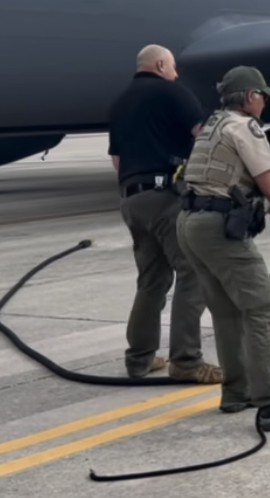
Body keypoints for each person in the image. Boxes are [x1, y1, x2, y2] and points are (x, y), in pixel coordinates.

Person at [176, 65, 270, 431]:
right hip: (217, 228)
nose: (264, 103)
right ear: (249, 97)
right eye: (261, 96)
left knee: (226, 311)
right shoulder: (245, 128)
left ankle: (236, 391)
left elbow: (235, 186)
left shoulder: (213, 125)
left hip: (190, 222)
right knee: (261, 310)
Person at [106, 44, 222, 384]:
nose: (176, 73)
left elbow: (116, 160)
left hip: (132, 199)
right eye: (172, 67)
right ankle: (186, 360)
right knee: (194, 272)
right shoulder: (173, 93)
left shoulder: (120, 102)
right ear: (159, 64)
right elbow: (203, 139)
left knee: (152, 280)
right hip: (165, 197)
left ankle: (139, 359)